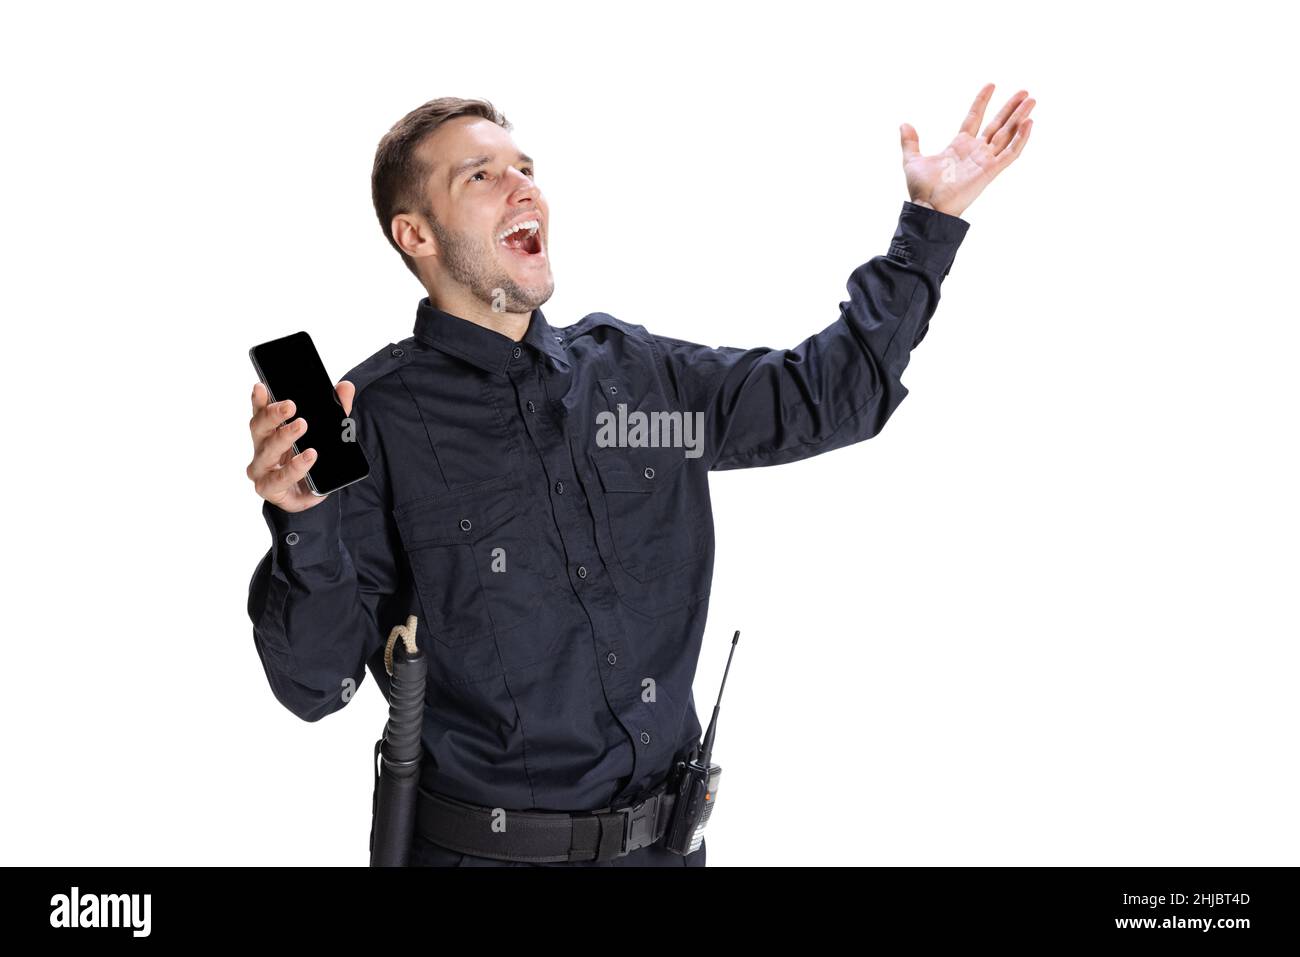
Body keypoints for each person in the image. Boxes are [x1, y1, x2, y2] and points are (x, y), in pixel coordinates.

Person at [245, 89, 1034, 866]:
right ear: (414, 233)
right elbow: (316, 685)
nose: (523, 185)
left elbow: (830, 399)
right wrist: (304, 519)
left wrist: (930, 226)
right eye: (480, 176)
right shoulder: (367, 419)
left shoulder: (635, 377)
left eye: (526, 167)